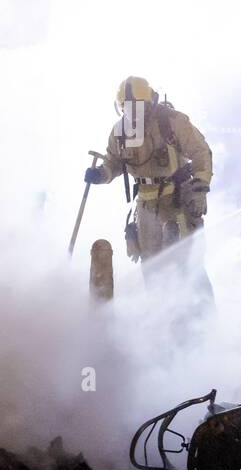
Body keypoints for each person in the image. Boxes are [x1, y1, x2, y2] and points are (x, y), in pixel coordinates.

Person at [84, 76, 214, 304]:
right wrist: (100, 175)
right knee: (152, 266)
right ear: (120, 107)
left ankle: (200, 325)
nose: (133, 112)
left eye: (139, 106)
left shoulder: (172, 122)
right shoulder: (119, 133)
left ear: (151, 102)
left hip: (177, 203)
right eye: (127, 107)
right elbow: (113, 163)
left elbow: (200, 151)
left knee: (186, 264)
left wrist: (200, 188)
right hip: (145, 207)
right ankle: (161, 322)